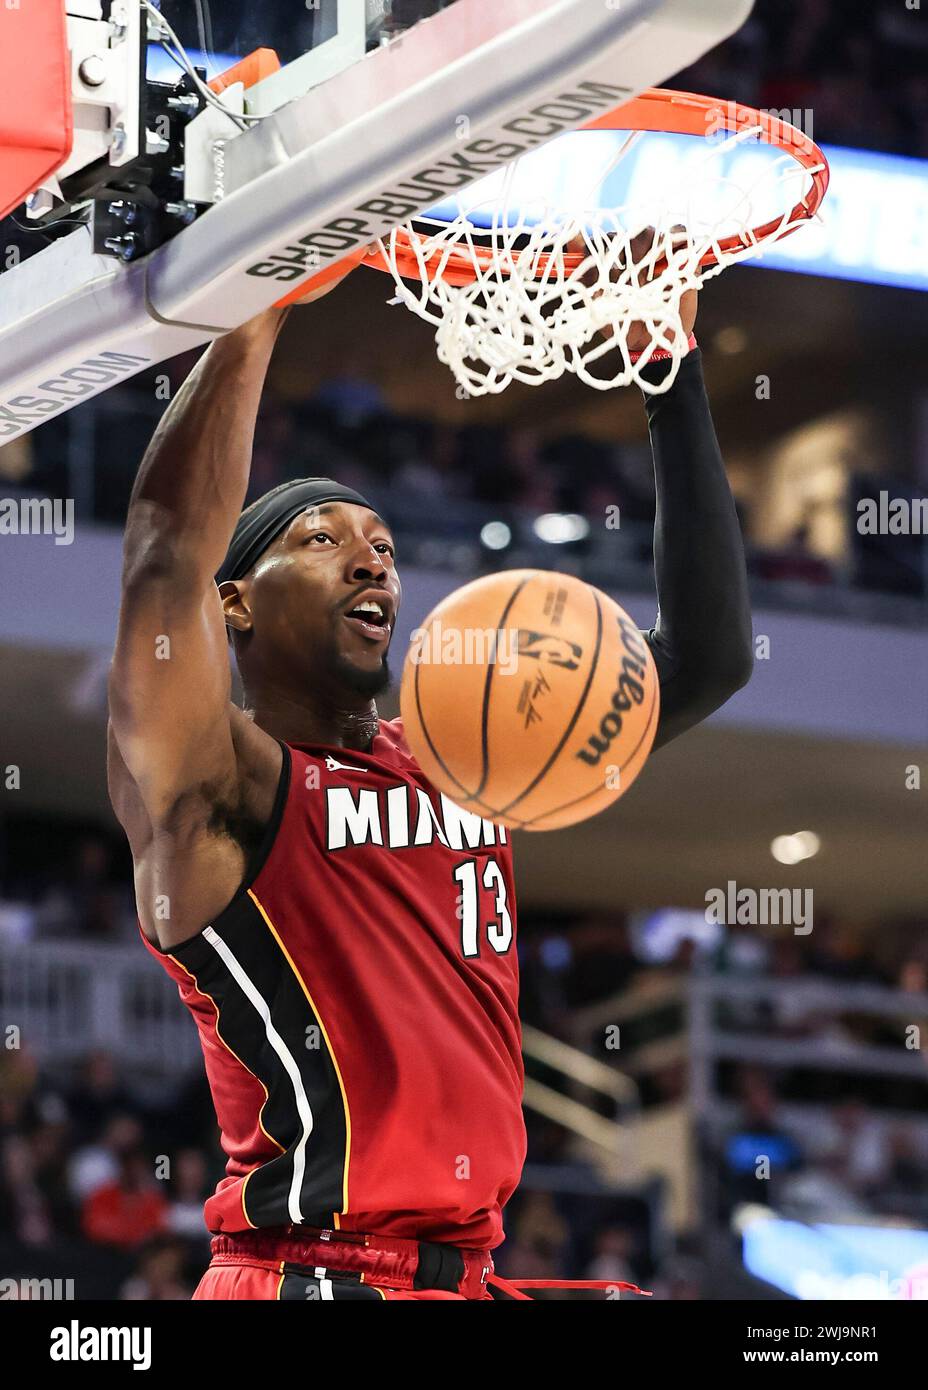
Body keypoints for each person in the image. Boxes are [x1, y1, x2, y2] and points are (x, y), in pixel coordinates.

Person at [106, 247, 752, 1300]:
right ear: (234, 604)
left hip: (470, 1275)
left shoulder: (467, 763)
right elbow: (165, 553)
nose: (373, 561)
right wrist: (253, 312)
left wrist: (668, 373)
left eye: (386, 546)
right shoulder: (219, 789)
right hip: (308, 1273)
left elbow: (706, 658)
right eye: (322, 540)